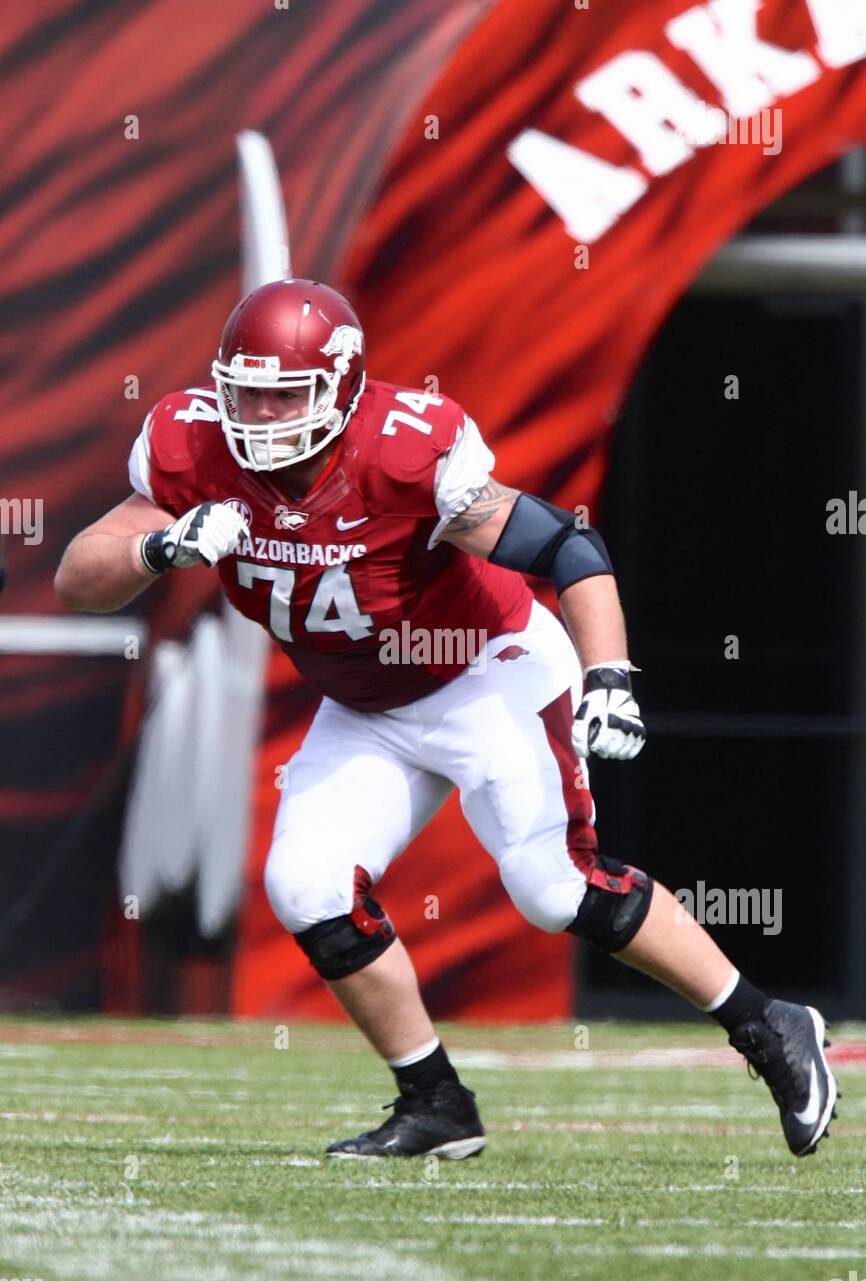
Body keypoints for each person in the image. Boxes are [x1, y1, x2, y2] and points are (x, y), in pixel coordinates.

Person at [55, 278, 838, 1160]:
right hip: (364, 704)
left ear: (344, 388)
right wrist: (157, 548)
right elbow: (80, 579)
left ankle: (769, 1025)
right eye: (248, 390)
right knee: (306, 887)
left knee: (552, 887)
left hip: (484, 671)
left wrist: (609, 672)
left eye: (287, 393)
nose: (262, 415)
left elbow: (567, 545)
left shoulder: (404, 450)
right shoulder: (191, 442)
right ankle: (436, 1104)